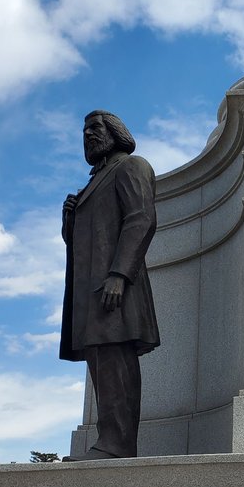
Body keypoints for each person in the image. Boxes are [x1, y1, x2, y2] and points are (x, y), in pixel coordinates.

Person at [60, 110, 160, 460]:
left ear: (116, 132)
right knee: (101, 365)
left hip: (114, 288)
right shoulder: (91, 184)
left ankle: (117, 444)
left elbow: (141, 219)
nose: (88, 134)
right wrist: (70, 218)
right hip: (91, 294)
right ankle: (108, 440)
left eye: (95, 128)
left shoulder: (131, 167)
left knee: (116, 363)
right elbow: (82, 241)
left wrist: (119, 275)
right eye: (84, 130)